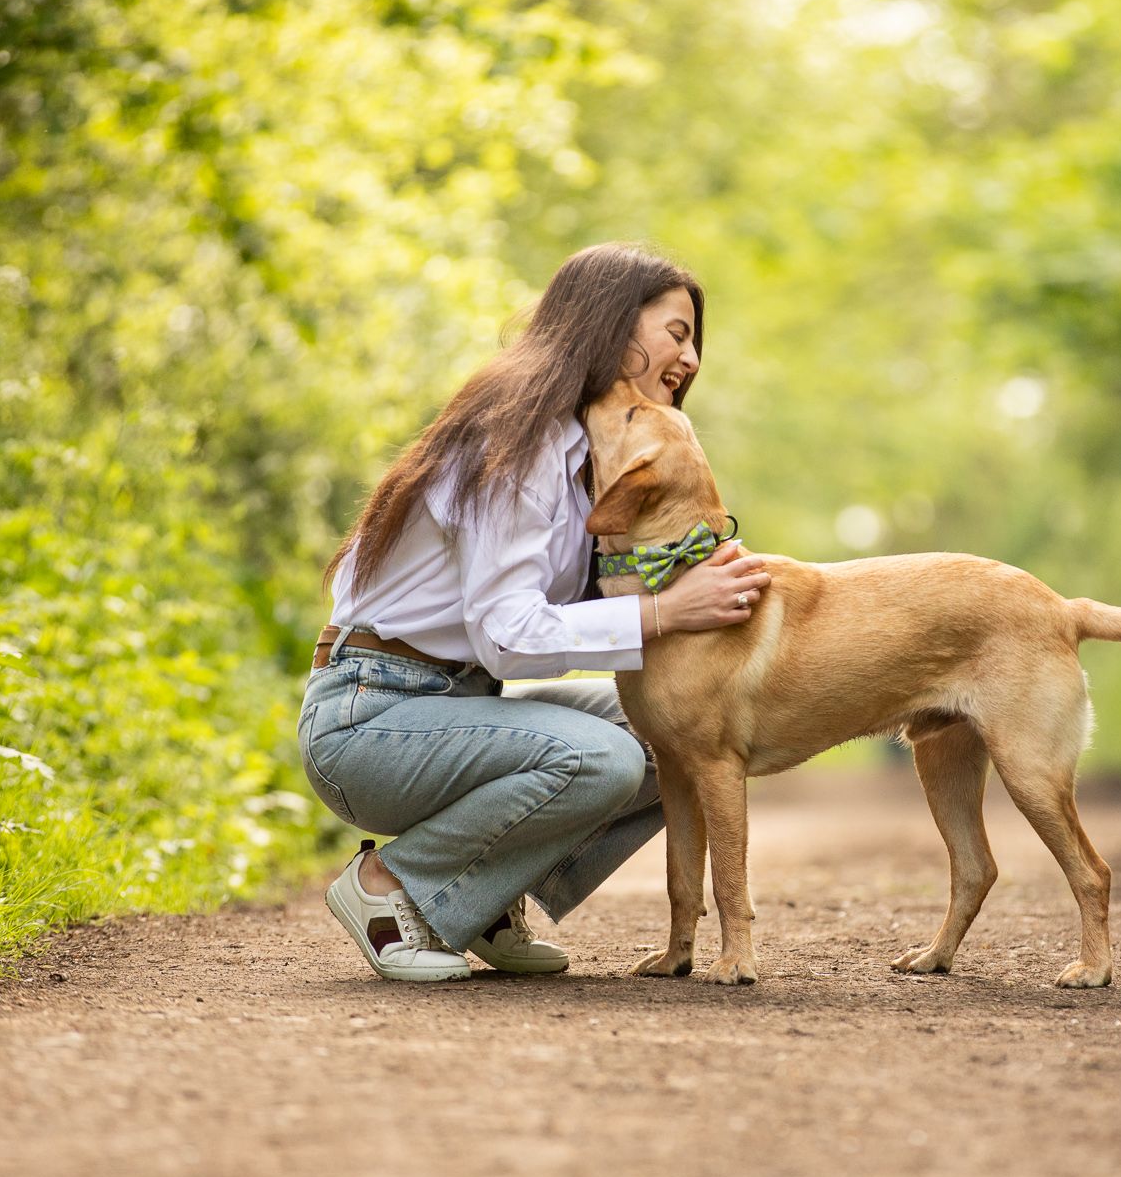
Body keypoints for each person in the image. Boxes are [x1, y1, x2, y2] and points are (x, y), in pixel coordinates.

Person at [296, 243, 772, 981]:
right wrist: (664, 612)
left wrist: (705, 579)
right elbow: (508, 640)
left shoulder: (588, 456)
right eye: (676, 332)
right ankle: (392, 888)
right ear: (612, 325)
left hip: (456, 708)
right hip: (372, 716)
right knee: (604, 756)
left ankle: (483, 897)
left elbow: (574, 614)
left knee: (667, 736)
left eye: (695, 340)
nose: (692, 357)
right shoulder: (512, 441)